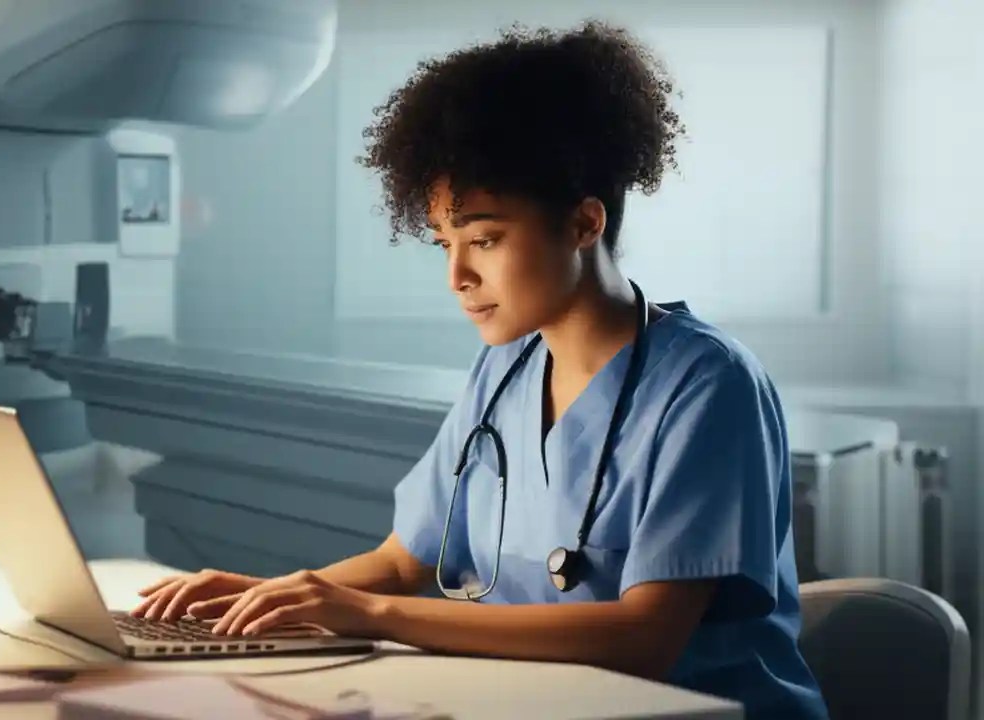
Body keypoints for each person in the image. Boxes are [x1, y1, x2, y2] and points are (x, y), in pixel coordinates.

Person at [132, 21, 828, 720]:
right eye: (444, 244)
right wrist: (269, 596)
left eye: (485, 239)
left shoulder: (708, 386)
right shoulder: (505, 370)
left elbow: (642, 638)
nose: (458, 276)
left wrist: (370, 614)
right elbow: (404, 563)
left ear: (584, 224)